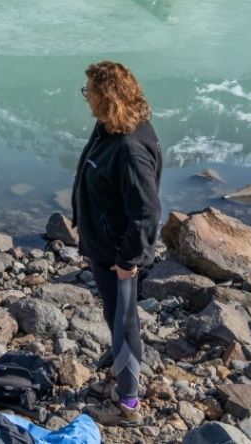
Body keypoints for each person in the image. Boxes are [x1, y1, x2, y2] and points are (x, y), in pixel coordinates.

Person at [71, 60, 162, 425]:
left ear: (106, 97)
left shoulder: (129, 148)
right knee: (116, 316)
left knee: (124, 322)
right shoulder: (109, 129)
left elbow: (147, 211)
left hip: (117, 254)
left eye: (90, 91)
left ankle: (127, 404)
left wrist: (128, 259)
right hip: (104, 244)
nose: (86, 97)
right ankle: (124, 375)